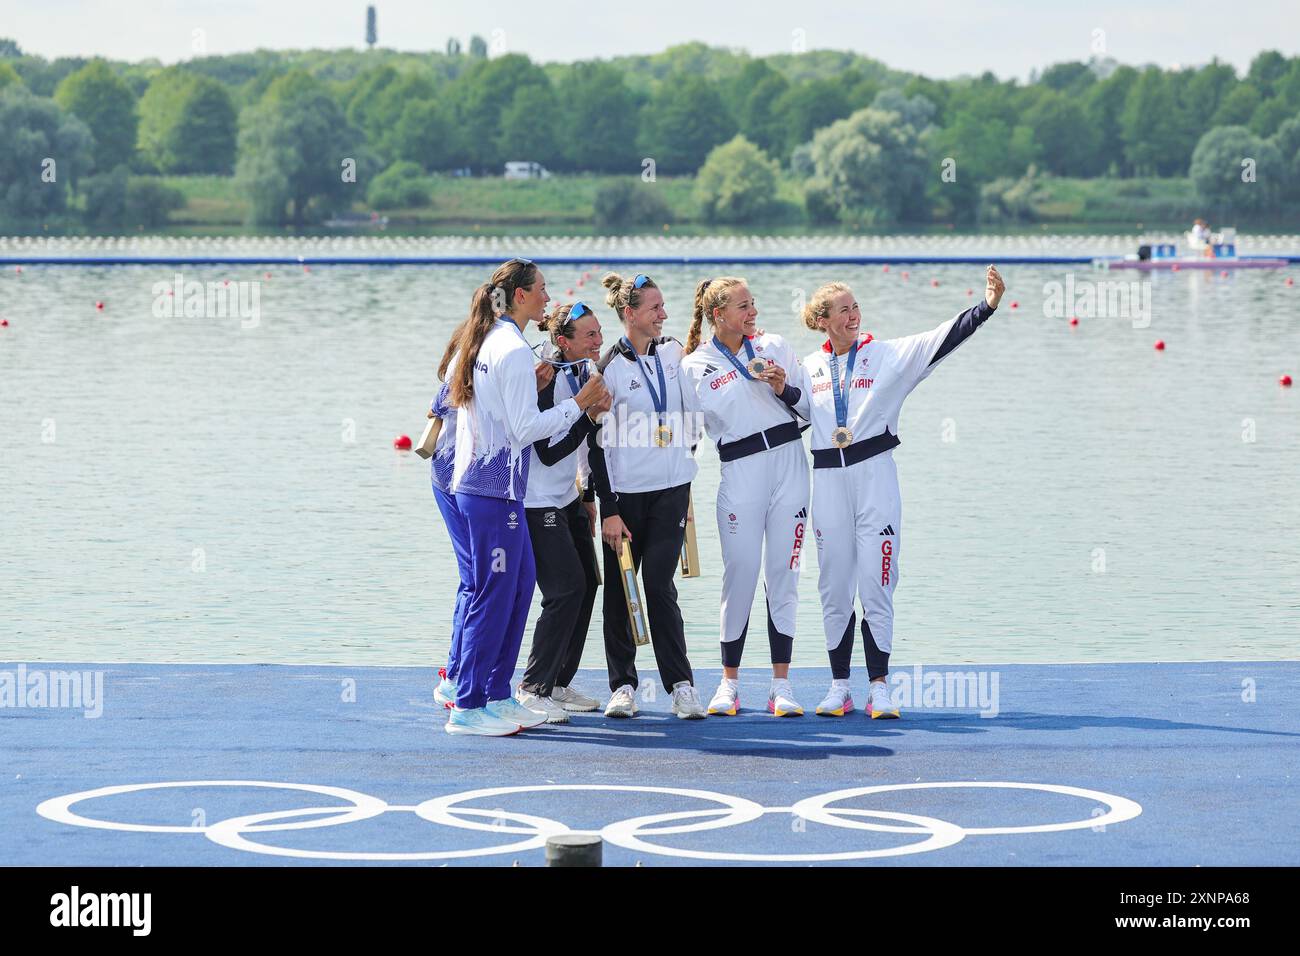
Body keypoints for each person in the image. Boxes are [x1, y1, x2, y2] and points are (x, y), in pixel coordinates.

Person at [790, 265, 1005, 719]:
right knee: (833, 585)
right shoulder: (809, 366)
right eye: (844, 310)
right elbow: (800, 411)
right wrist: (779, 388)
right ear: (824, 319)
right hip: (827, 480)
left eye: (856, 307)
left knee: (877, 581)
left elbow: (940, 338)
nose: (854, 316)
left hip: (875, 477)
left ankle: (880, 688)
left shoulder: (888, 356)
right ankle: (838, 688)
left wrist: (985, 308)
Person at [438, 258, 610, 736]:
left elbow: (495, 409)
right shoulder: (509, 347)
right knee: (496, 595)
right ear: (519, 296)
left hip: (500, 489)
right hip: (490, 489)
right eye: (541, 289)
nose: (547, 296)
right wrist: (579, 406)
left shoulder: (495, 341)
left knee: (517, 590)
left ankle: (496, 693)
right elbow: (525, 428)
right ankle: (468, 705)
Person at [678, 277, 810, 717]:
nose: (752, 313)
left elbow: (810, 410)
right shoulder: (694, 366)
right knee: (742, 572)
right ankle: (729, 683)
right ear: (718, 315)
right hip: (740, 471)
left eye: (753, 304)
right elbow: (687, 438)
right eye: (742, 307)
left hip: (791, 463)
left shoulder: (774, 346)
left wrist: (782, 388)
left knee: (784, 572)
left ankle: (781, 684)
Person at [587, 272, 707, 719]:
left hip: (672, 493)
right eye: (655, 308)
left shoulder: (674, 353)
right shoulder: (608, 369)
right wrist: (609, 510)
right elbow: (595, 445)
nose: (663, 315)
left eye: (663, 307)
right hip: (625, 499)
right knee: (620, 592)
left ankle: (681, 685)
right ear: (630, 314)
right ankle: (622, 686)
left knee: (659, 585)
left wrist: (679, 466)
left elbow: (692, 418)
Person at [514, 301, 609, 722]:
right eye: (589, 335)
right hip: (536, 501)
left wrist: (588, 498)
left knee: (588, 583)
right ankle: (532, 687)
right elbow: (550, 453)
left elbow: (588, 449)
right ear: (562, 342)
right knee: (564, 589)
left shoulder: (585, 372)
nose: (598, 342)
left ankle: (556, 683)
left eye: (599, 332)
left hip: (567, 498)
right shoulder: (545, 377)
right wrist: (588, 414)